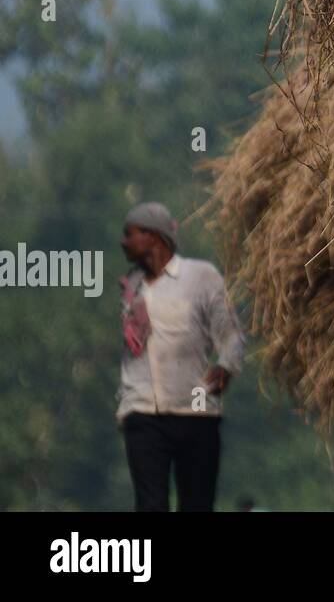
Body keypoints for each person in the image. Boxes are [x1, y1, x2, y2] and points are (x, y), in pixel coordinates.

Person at [117, 201, 244, 512]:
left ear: (152, 236)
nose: (123, 243)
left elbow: (230, 334)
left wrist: (226, 366)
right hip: (143, 410)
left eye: (129, 235)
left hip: (195, 411)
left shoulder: (200, 277)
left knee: (197, 504)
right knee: (150, 505)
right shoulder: (131, 287)